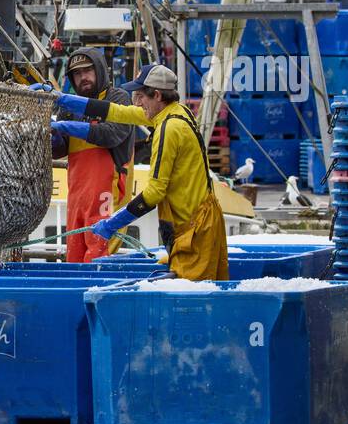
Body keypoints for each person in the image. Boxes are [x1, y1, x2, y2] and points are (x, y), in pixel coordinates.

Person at [55, 63, 229, 281]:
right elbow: (118, 111)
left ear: (156, 95)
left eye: (139, 96)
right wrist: (63, 99)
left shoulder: (169, 129)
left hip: (193, 232)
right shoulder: (175, 112)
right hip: (198, 226)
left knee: (194, 304)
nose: (136, 102)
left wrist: (113, 223)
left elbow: (155, 192)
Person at [48, 47, 136, 262]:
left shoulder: (119, 98)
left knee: (99, 258)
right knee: (74, 260)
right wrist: (51, 134)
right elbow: (59, 151)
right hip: (77, 198)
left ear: (100, 71)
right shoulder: (69, 108)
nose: (83, 77)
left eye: (88, 71)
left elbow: (112, 134)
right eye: (77, 74)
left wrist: (68, 127)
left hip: (109, 195)